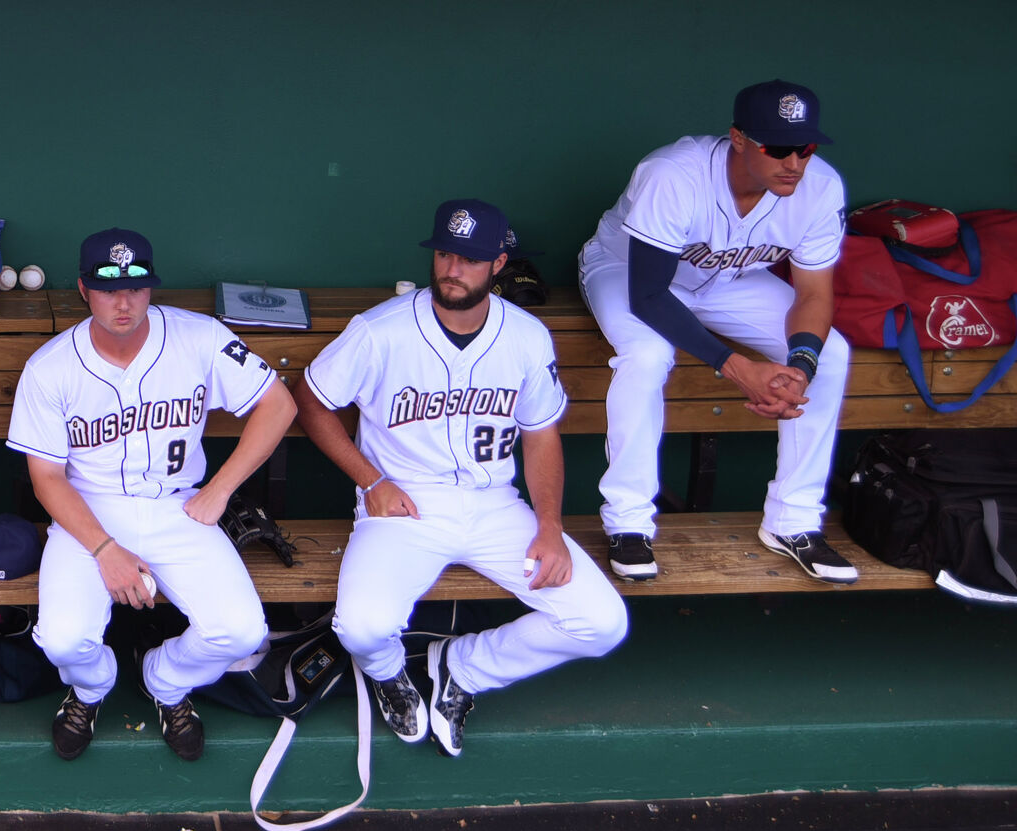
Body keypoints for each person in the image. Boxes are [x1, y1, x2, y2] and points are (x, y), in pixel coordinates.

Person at [297, 201, 627, 759]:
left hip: (496, 506)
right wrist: (370, 479)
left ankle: (464, 669)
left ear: (499, 263)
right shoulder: (380, 331)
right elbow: (311, 402)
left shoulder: (526, 336)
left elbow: (541, 434)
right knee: (362, 629)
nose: (453, 268)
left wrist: (549, 526)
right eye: (446, 254)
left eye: (471, 258)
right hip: (405, 505)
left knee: (602, 623)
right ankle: (387, 673)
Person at [9, 229, 293, 762]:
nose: (123, 302)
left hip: (179, 505)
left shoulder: (199, 336)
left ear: (151, 288)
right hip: (87, 512)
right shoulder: (50, 366)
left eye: (136, 288)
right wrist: (104, 550)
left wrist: (221, 488)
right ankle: (92, 689)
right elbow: (47, 477)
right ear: (83, 290)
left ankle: (164, 681)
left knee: (240, 632)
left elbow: (278, 405)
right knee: (64, 641)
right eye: (108, 288)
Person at [580, 83, 858, 585]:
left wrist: (800, 367)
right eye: (776, 147)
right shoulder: (674, 174)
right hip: (627, 270)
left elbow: (813, 293)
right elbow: (649, 297)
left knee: (830, 353)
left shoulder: (821, 188)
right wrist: (737, 367)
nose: (794, 162)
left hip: (730, 280)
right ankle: (628, 523)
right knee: (646, 355)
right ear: (738, 139)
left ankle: (793, 521)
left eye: (805, 147)